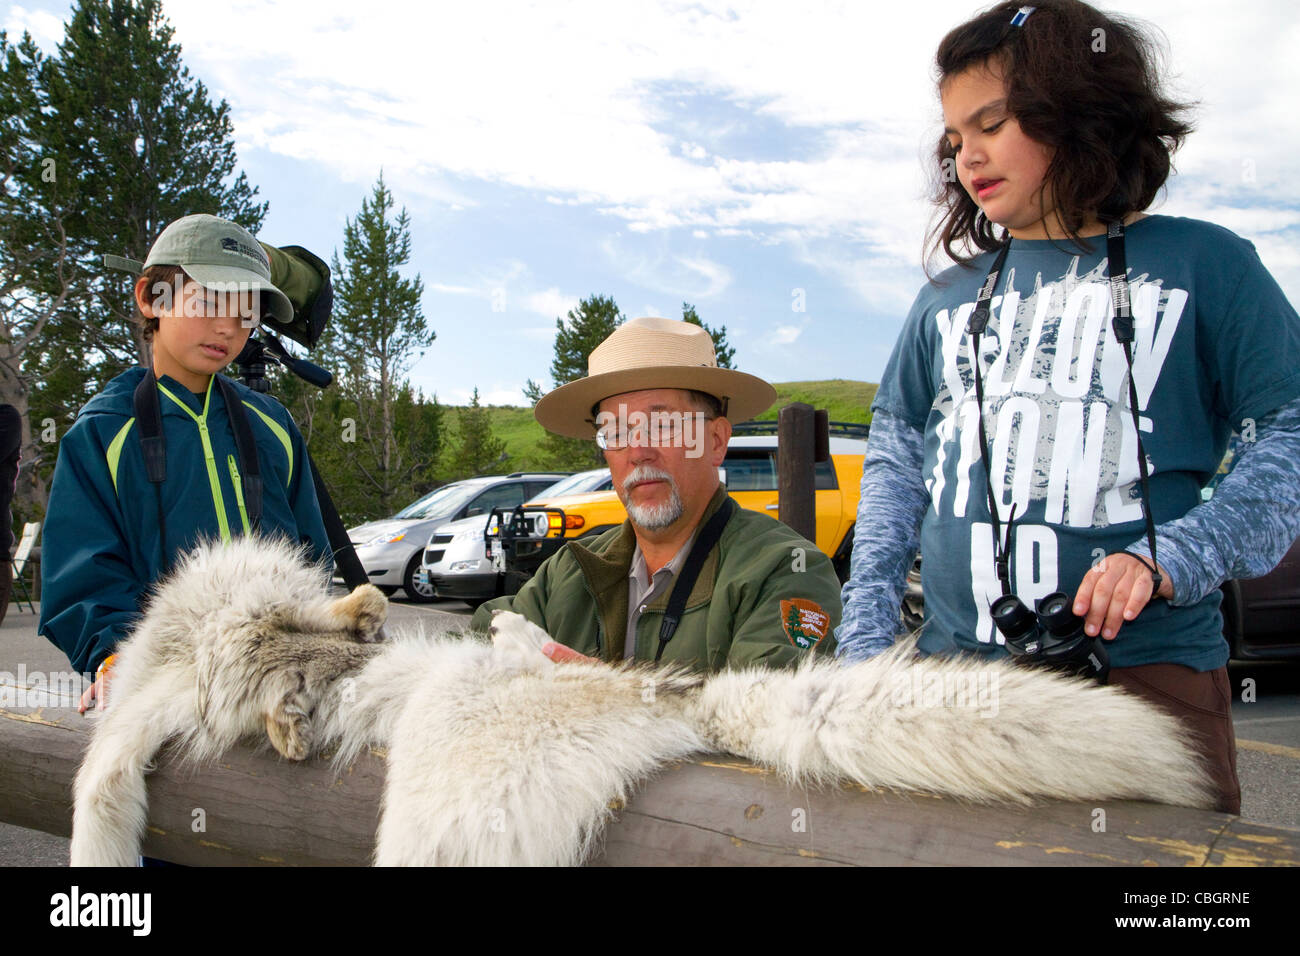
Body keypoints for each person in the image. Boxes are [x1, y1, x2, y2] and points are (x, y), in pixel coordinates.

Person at [835, 0, 1300, 815]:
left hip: (1144, 689)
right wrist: (864, 648)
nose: (967, 156)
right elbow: (894, 466)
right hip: (950, 695)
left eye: (991, 123)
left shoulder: (1211, 265)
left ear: (1076, 110)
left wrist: (1176, 556)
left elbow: (1291, 436)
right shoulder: (943, 299)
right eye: (954, 139)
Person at [40, 214, 333, 712]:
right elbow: (83, 576)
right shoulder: (104, 430)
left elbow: (312, 552)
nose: (227, 326)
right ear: (151, 298)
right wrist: (116, 658)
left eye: (247, 313)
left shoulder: (273, 425)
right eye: (210, 301)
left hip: (283, 680)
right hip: (169, 687)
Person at [471, 315, 841, 671]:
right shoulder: (568, 572)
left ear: (715, 441)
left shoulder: (786, 571)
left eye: (662, 425)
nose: (637, 452)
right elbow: (467, 648)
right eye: (615, 432)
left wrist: (603, 697)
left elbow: (765, 719)